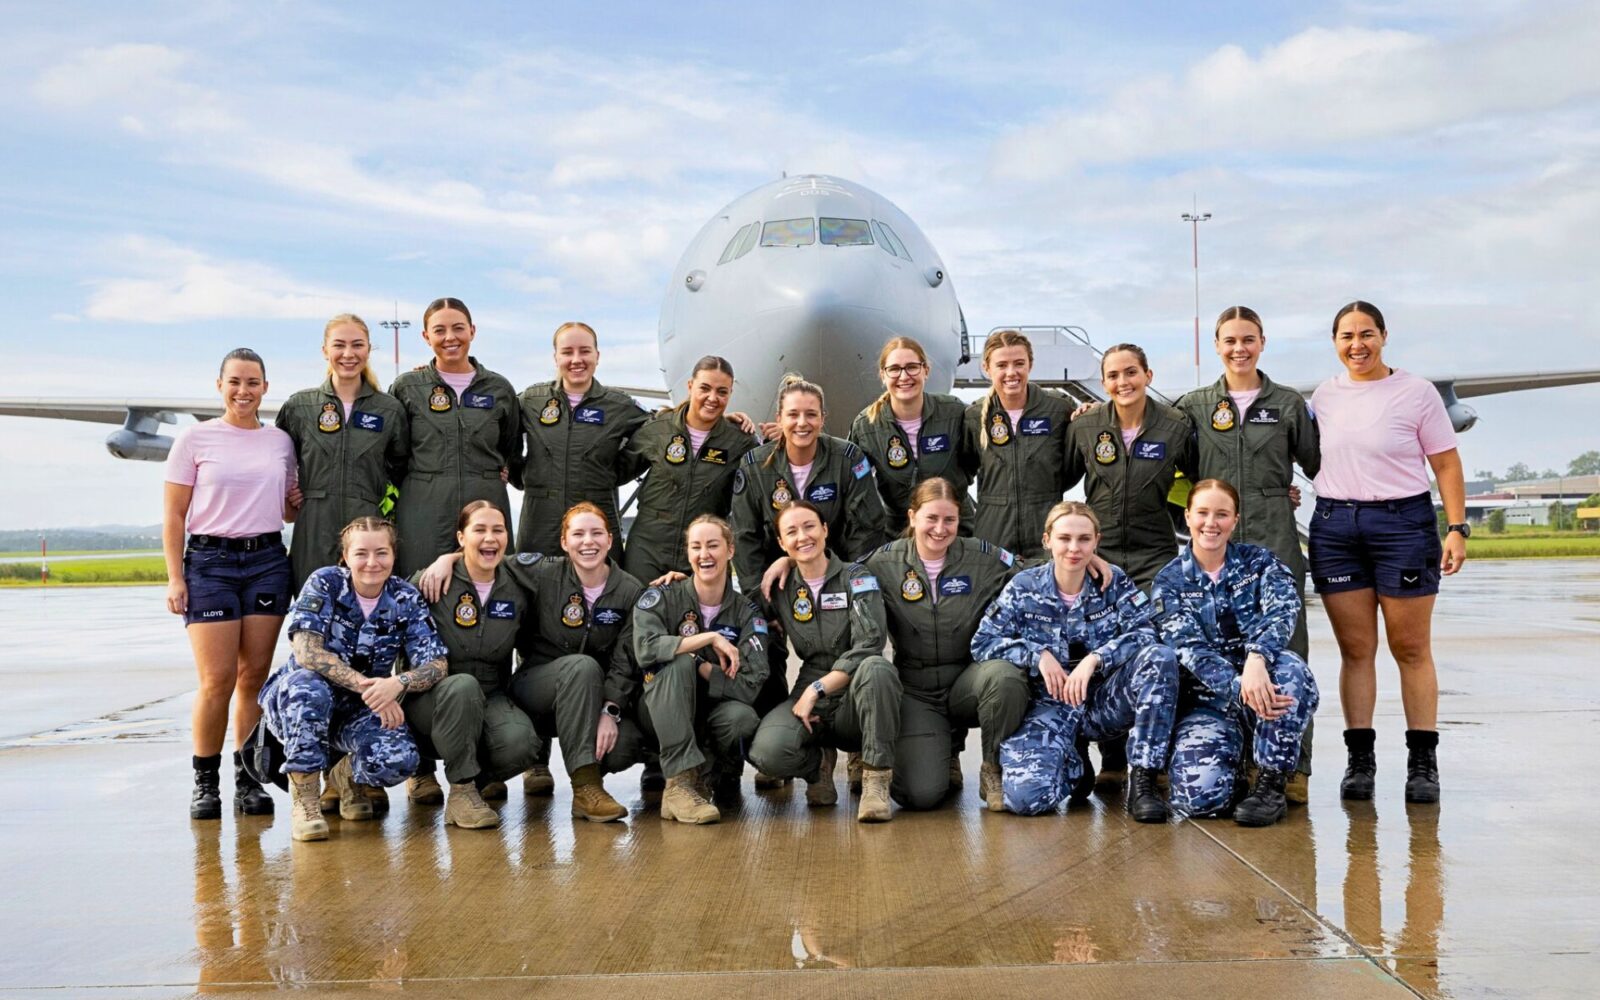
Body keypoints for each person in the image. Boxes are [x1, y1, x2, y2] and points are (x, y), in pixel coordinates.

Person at [1310, 301, 1466, 804]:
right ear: (1335, 342)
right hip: (1336, 527)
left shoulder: (1416, 392)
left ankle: (1423, 763)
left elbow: (1446, 463)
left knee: (1411, 648)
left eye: (1367, 334)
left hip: (1403, 524)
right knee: (1356, 650)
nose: (1357, 345)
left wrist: (1457, 528)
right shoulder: (1324, 396)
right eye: (1347, 336)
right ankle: (1360, 761)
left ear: (1383, 336)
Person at [417, 503, 647, 820]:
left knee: (624, 744)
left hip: (589, 697)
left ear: (610, 539)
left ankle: (480, 779)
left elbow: (625, 661)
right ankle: (586, 786)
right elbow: (485, 556)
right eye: (578, 534)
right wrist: (447, 559)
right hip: (535, 687)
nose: (588, 542)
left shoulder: (630, 591)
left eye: (596, 533)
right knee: (578, 669)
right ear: (564, 542)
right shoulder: (542, 572)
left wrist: (610, 709)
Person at [1174, 306, 1320, 801]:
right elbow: (1171, 462)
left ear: (1262, 343)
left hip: (1275, 534)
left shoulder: (1289, 404)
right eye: (1230, 340)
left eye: (1248, 339)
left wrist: (1281, 494)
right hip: (1218, 540)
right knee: (1215, 648)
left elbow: (1318, 461)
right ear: (1217, 345)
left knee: (1287, 648)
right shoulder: (1194, 407)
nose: (1239, 349)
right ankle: (1233, 756)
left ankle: (1290, 766)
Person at [972, 502, 1179, 820]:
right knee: (1026, 799)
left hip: (1102, 702)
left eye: (1084, 539)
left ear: (1097, 541)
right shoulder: (1024, 587)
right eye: (1064, 538)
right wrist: (1037, 655)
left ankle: (1145, 779)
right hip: (1050, 704)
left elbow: (1147, 632)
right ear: (1047, 540)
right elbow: (983, 642)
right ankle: (1074, 763)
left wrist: (1097, 658)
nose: (1074, 548)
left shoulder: (1113, 581)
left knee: (1160, 658)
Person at [163, 348, 299, 820]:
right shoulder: (195, 439)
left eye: (253, 382)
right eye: (235, 382)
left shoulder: (280, 441)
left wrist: (297, 501)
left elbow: (287, 510)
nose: (244, 391)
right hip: (210, 562)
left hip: (266, 560)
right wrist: (175, 577)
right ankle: (205, 783)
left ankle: (248, 781)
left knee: (252, 679)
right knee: (216, 680)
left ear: (265, 387)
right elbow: (174, 514)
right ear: (219, 385)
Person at [257, 517, 450, 841]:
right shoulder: (325, 583)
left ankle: (344, 776)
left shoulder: (404, 597)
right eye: (361, 553)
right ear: (345, 556)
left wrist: (398, 684)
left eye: (382, 553)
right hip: (299, 701)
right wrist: (369, 687)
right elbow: (307, 652)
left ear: (393, 555)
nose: (372, 562)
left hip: (360, 708)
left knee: (400, 760)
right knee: (308, 687)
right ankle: (306, 802)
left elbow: (437, 663)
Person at [731, 373, 889, 747]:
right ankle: (779, 734)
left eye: (811, 414)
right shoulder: (755, 466)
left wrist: (842, 579)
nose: (802, 423)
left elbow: (866, 527)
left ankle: (856, 737)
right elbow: (745, 539)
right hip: (775, 583)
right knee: (765, 647)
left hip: (834, 572)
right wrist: (761, 603)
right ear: (779, 418)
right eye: (793, 415)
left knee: (852, 650)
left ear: (823, 418)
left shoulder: (848, 459)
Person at [1151, 480, 1320, 827]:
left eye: (1222, 514)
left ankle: (1271, 783)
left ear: (1235, 520)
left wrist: (1257, 658)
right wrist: (1240, 685)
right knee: (1197, 800)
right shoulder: (1169, 581)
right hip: (1208, 699)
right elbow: (1190, 649)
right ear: (1187, 517)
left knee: (1291, 671)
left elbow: (1283, 612)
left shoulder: (1261, 563)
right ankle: (1236, 769)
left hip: (1263, 685)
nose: (1211, 523)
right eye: (1202, 513)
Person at [863, 478, 1027, 811]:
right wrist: (790, 562)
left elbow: (1032, 572)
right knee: (919, 795)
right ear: (912, 517)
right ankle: (944, 749)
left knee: (1005, 676)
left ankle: (993, 769)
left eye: (949, 519)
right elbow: (836, 576)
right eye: (931, 518)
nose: (940, 529)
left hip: (968, 681)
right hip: (916, 690)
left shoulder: (982, 557)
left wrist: (1088, 561)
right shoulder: (883, 563)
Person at [746, 502, 902, 822]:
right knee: (767, 753)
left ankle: (875, 779)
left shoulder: (856, 577)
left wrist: (816, 689)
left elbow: (869, 645)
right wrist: (679, 589)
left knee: (878, 669)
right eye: (791, 532)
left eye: (809, 526)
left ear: (825, 530)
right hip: (810, 682)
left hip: (855, 689)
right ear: (781, 543)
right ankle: (816, 766)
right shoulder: (780, 585)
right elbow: (733, 611)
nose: (803, 536)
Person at [399, 502, 543, 830]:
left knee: (521, 744)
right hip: (431, 698)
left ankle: (473, 781)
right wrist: (446, 560)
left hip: (490, 693)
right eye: (479, 530)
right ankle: (454, 788)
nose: (490, 538)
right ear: (461, 537)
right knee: (462, 686)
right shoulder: (430, 581)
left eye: (498, 530)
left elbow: (571, 568)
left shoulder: (518, 585)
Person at [632, 515, 769, 824]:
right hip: (658, 709)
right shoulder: (663, 596)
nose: (704, 554)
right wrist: (708, 639)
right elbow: (645, 648)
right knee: (679, 662)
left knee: (741, 718)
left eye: (713, 545)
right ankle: (679, 784)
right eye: (696, 547)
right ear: (688, 552)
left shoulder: (747, 614)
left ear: (730, 550)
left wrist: (703, 666)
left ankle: (707, 775)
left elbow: (749, 686)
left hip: (712, 712)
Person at [275, 313, 408, 591]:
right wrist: (291, 491)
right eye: (339, 345)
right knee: (312, 609)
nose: (348, 354)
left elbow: (402, 470)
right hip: (313, 528)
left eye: (357, 345)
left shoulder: (389, 410)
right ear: (325, 350)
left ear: (368, 350)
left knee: (366, 609)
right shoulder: (300, 407)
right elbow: (276, 461)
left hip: (368, 529)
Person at [388, 297, 520, 576]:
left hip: (485, 501)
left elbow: (510, 446)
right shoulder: (408, 387)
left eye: (458, 328)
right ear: (426, 336)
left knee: (489, 584)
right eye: (439, 330)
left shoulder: (499, 388)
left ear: (472, 331)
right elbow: (394, 451)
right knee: (419, 583)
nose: (450, 337)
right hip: (423, 506)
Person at [1064, 343, 1197, 589]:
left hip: (1156, 555)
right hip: (1097, 553)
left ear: (1148, 375)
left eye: (1131, 372)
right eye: (1113, 376)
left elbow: (1203, 482)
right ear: (1104, 383)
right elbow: (1057, 482)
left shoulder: (1176, 426)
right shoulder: (1085, 427)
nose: (1123, 382)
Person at [620, 355, 759, 582]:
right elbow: (614, 473)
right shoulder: (658, 429)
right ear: (690, 386)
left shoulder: (739, 441)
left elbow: (762, 487)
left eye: (722, 392)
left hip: (703, 555)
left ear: (730, 394)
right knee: (639, 604)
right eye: (705, 388)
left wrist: (780, 437)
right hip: (647, 550)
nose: (712, 398)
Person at [516, 321, 650, 556]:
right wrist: (518, 473)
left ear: (597, 356)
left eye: (585, 351)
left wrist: (614, 473)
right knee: (534, 577)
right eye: (567, 352)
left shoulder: (620, 406)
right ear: (556, 357)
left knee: (600, 579)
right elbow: (497, 426)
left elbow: (658, 434)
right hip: (539, 525)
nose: (576, 360)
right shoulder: (531, 400)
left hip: (596, 524)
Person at [849, 336, 977, 536]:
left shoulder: (954, 413)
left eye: (912, 367)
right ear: (883, 375)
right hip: (899, 536)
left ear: (926, 370)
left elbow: (982, 457)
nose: (904, 376)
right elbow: (853, 481)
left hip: (957, 532)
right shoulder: (866, 427)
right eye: (894, 369)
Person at [963, 329, 1072, 558]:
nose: (1011, 372)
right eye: (1001, 365)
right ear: (986, 368)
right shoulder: (974, 416)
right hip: (993, 535)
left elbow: (1074, 463)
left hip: (1046, 533)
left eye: (1019, 363)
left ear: (1030, 364)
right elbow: (962, 470)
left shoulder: (1058, 409)